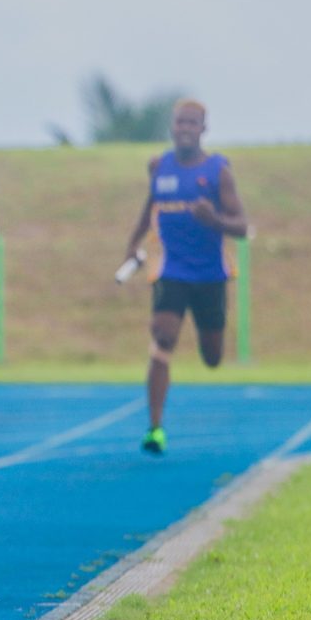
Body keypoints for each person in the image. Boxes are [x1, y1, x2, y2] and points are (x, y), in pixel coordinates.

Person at [122, 98, 248, 454]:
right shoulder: (159, 166)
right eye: (180, 122)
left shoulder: (219, 170)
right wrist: (132, 243)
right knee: (162, 336)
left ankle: (209, 345)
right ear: (172, 126)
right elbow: (151, 208)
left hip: (210, 275)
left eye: (193, 123)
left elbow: (241, 226)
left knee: (212, 357)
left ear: (203, 129)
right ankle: (155, 428)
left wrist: (216, 221)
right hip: (171, 269)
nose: (185, 129)